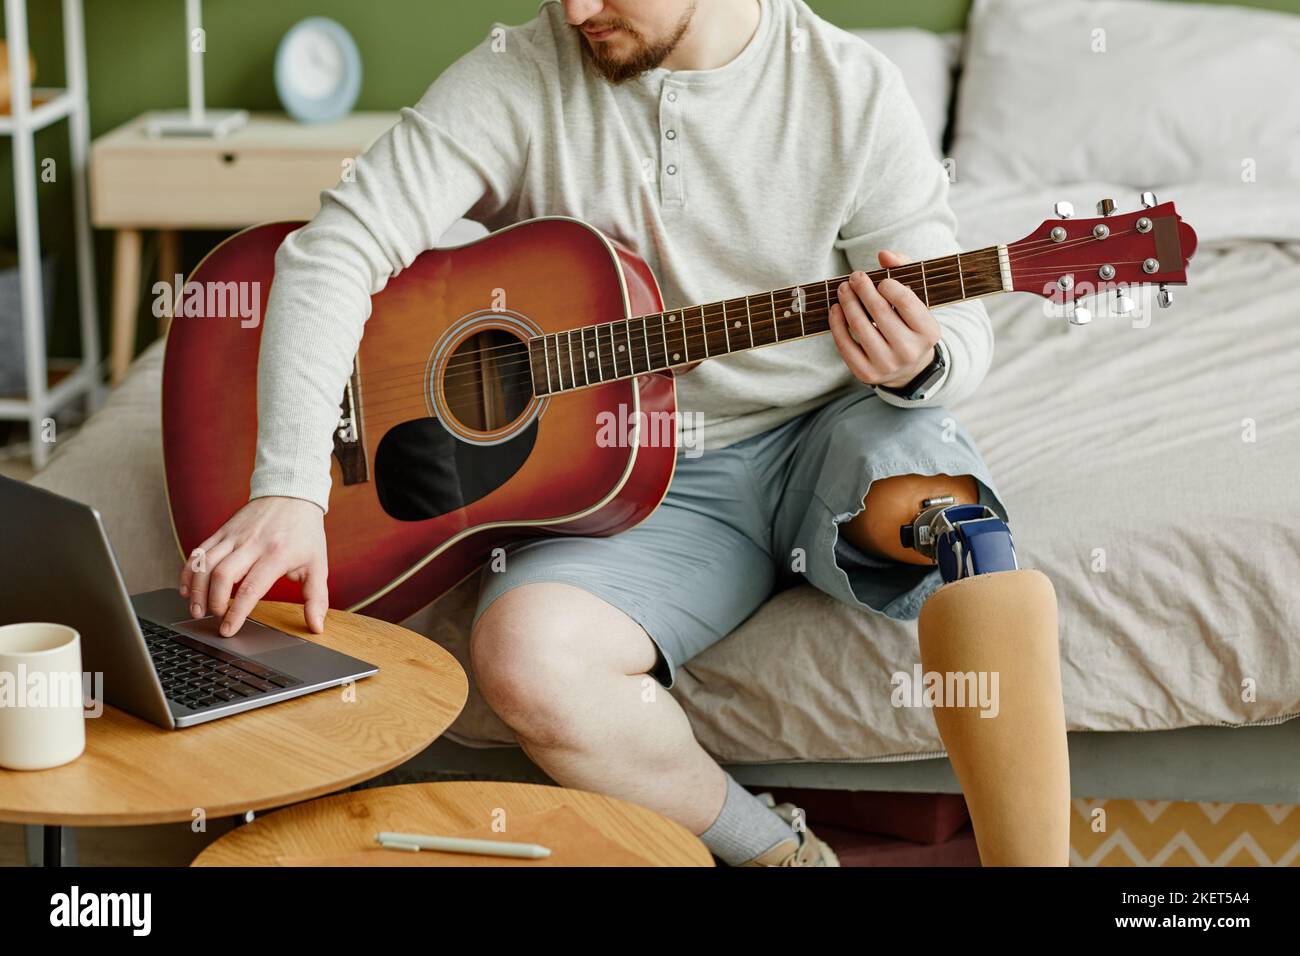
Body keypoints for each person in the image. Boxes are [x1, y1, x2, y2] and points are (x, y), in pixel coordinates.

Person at [179, 0, 1003, 866]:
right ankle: (780, 855)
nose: (575, 10)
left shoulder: (855, 90)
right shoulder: (522, 70)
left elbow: (963, 329)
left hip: (830, 430)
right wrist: (289, 483)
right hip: (640, 488)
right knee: (527, 657)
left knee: (965, 530)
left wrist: (918, 357)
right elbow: (334, 249)